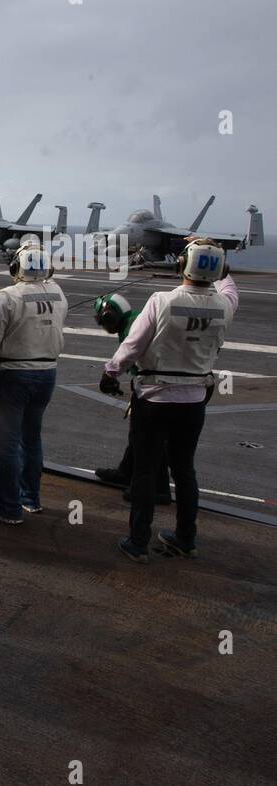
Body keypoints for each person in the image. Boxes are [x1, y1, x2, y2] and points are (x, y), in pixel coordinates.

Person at [100, 239, 238, 563]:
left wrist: (110, 372)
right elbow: (230, 287)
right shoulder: (225, 305)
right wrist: (222, 265)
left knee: (145, 472)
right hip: (194, 401)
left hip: (155, 399)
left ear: (182, 265)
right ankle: (186, 539)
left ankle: (138, 542)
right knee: (185, 471)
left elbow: (132, 346)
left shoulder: (161, 300)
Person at [0, 244, 67, 524]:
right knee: (32, 439)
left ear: (16, 268)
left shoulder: (6, 298)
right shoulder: (58, 293)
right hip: (47, 373)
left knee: (7, 445)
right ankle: (30, 499)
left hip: (13, 375)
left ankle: (8, 508)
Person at [91, 293, 171, 505]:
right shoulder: (133, 318)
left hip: (159, 388)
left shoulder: (130, 327)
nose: (103, 326)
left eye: (103, 321)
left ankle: (160, 489)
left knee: (151, 438)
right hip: (160, 383)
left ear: (109, 317)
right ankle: (126, 471)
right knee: (139, 432)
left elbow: (131, 354)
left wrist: (110, 375)